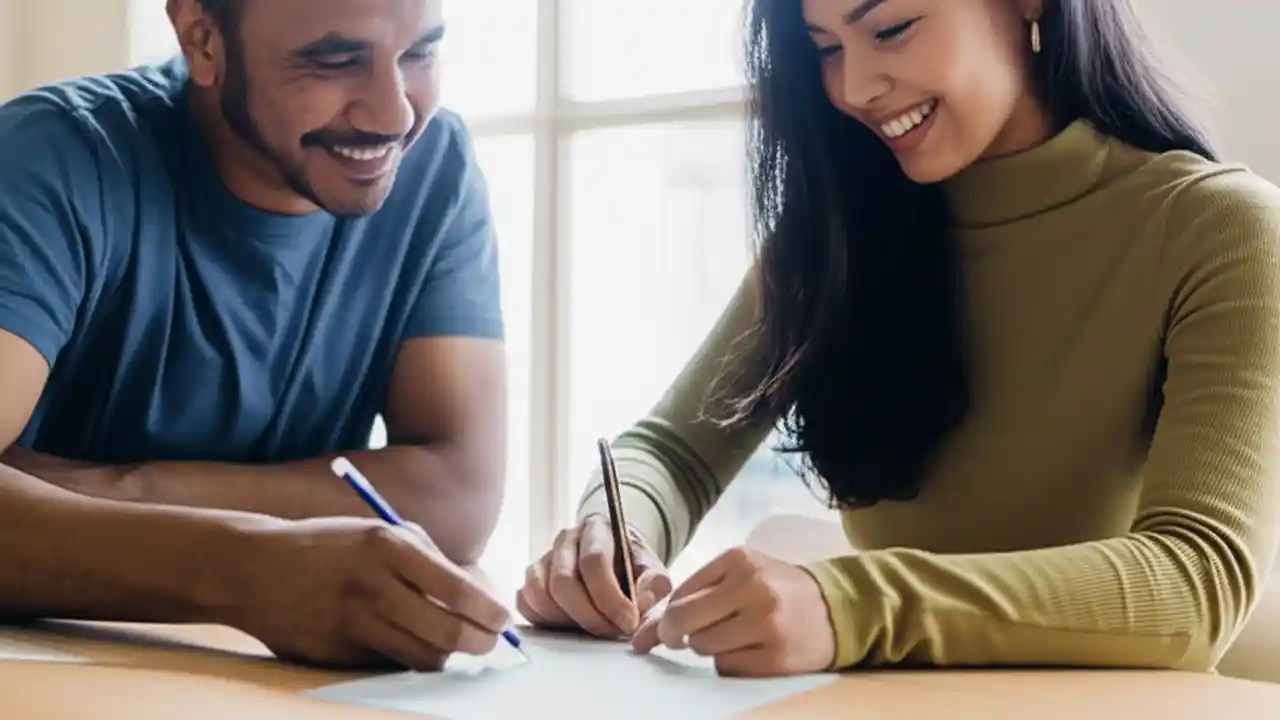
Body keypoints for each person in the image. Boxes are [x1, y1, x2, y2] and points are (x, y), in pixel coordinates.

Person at [518, 0, 1280, 678]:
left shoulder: (1221, 231)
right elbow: (676, 452)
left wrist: (853, 605)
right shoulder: (838, 234)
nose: (852, 87)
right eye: (823, 47)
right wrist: (610, 538)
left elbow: (1196, 581)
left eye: (889, 29)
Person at [0, 0, 513, 671]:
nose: (395, 115)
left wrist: (108, 490)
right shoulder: (51, 156)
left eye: (419, 53)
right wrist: (245, 569)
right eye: (335, 60)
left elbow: (457, 495)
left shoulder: (434, 171)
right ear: (202, 38)